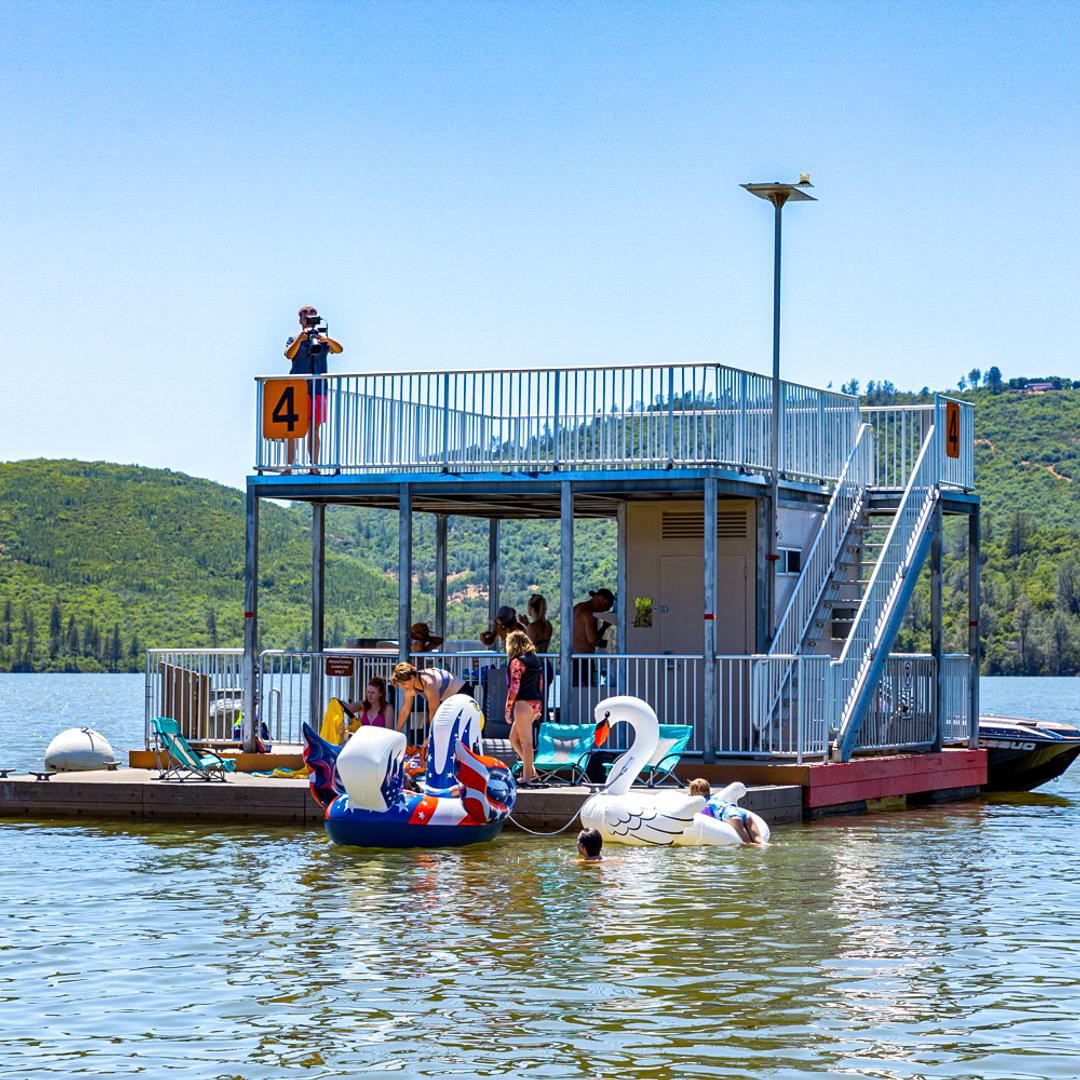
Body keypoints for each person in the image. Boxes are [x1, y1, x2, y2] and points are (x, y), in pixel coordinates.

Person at [283, 305, 343, 472]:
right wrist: (300, 339)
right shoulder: (293, 338)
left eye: (313, 317)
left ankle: (314, 465)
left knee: (314, 429)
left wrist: (326, 340)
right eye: (307, 317)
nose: (310, 320)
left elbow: (339, 349)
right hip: (297, 388)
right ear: (301, 320)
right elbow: (289, 354)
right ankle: (289, 466)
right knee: (293, 429)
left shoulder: (322, 338)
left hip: (318, 389)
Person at [504, 630, 544, 785]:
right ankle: (531, 770)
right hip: (535, 701)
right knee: (513, 739)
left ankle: (527, 778)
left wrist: (508, 710)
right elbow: (540, 682)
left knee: (526, 742)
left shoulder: (516, 662)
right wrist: (538, 706)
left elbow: (514, 688)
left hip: (523, 703)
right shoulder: (534, 659)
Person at [389, 662, 470, 734]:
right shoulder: (410, 688)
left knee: (461, 730)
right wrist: (397, 732)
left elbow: (433, 710)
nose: (403, 688)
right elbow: (405, 710)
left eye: (403, 684)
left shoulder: (429, 683)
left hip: (462, 693)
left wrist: (430, 736)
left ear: (412, 678)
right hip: (447, 699)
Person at [688, 778, 766, 846]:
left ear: (694, 793)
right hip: (744, 814)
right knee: (759, 840)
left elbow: (709, 821)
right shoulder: (715, 799)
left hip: (732, 816)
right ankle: (773, 846)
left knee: (748, 843)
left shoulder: (705, 805)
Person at [572, 588, 615, 685]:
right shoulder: (589, 612)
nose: (605, 611)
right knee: (584, 693)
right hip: (582, 661)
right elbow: (592, 640)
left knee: (573, 694)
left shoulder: (576, 608)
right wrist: (604, 626)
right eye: (608, 607)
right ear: (603, 600)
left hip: (571, 659)